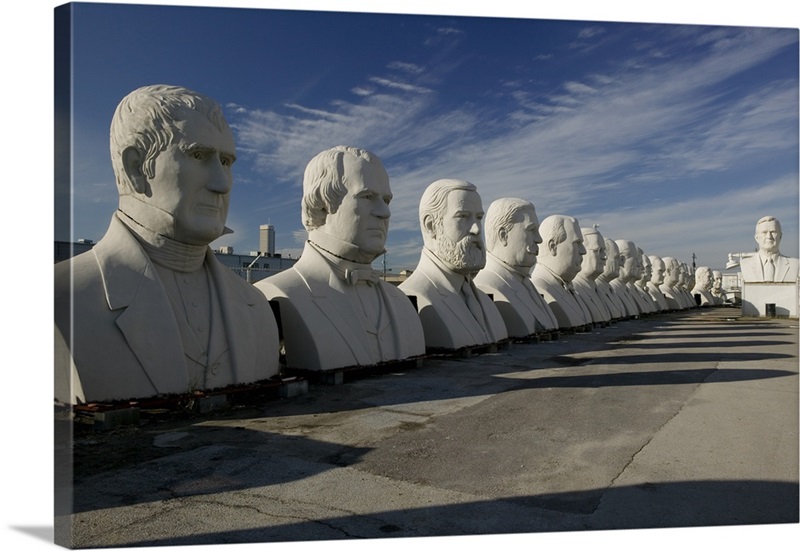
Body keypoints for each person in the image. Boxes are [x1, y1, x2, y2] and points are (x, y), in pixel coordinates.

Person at [54, 85, 280, 404]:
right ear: (135, 167)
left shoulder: (256, 305)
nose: (221, 183)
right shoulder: (58, 298)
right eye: (198, 155)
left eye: (227, 162)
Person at [256, 146, 425, 370]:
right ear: (323, 205)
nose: (385, 212)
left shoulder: (401, 302)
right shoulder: (278, 294)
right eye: (367, 196)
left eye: (386, 200)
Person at [399, 179, 508, 351]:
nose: (476, 229)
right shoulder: (412, 297)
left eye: (479, 218)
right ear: (431, 226)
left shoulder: (484, 301)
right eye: (463, 217)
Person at [473, 198, 559, 338]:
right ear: (503, 235)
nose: (539, 239)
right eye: (531, 230)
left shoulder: (524, 281)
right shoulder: (487, 284)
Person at [530, 215, 593, 330]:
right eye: (577, 243)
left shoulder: (565, 285)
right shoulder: (540, 286)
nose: (583, 251)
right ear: (553, 247)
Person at [571, 227, 612, 325]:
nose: (605, 257)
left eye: (604, 251)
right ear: (582, 252)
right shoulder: (576, 288)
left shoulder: (596, 289)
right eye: (598, 250)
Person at [739, 216, 799, 282]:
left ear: (780, 236)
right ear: (756, 238)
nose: (769, 236)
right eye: (764, 232)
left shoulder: (795, 264)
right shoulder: (745, 264)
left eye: (773, 232)